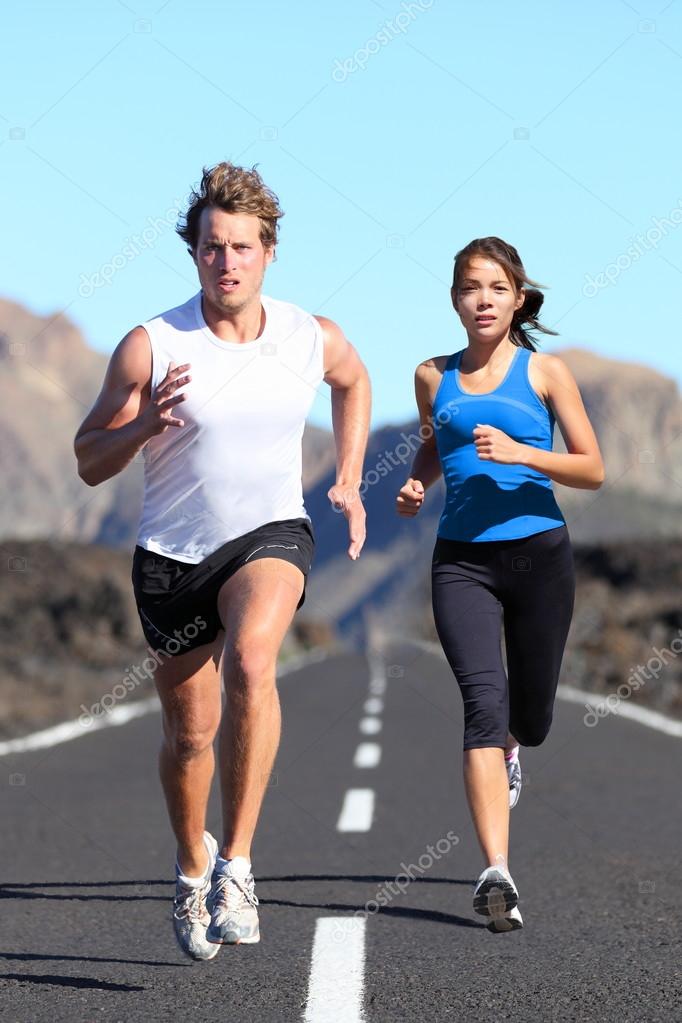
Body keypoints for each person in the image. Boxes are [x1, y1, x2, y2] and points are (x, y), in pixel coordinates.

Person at [74, 162, 370, 959]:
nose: (226, 262)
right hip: (172, 558)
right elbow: (88, 458)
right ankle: (191, 861)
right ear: (194, 252)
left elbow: (354, 379)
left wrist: (346, 476)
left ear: (269, 252)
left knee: (252, 660)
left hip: (269, 534)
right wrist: (141, 430)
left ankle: (237, 862)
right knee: (191, 736)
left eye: (241, 247)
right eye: (212, 247)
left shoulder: (307, 335)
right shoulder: (153, 344)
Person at [396, 237, 604, 933]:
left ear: (517, 297)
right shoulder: (432, 374)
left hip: (539, 555)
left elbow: (592, 467)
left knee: (531, 717)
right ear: (453, 299)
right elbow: (435, 439)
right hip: (462, 561)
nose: (481, 300)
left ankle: (517, 746)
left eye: (494, 287)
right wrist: (417, 481)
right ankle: (497, 873)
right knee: (482, 703)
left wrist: (522, 453)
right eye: (467, 288)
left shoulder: (546, 373)